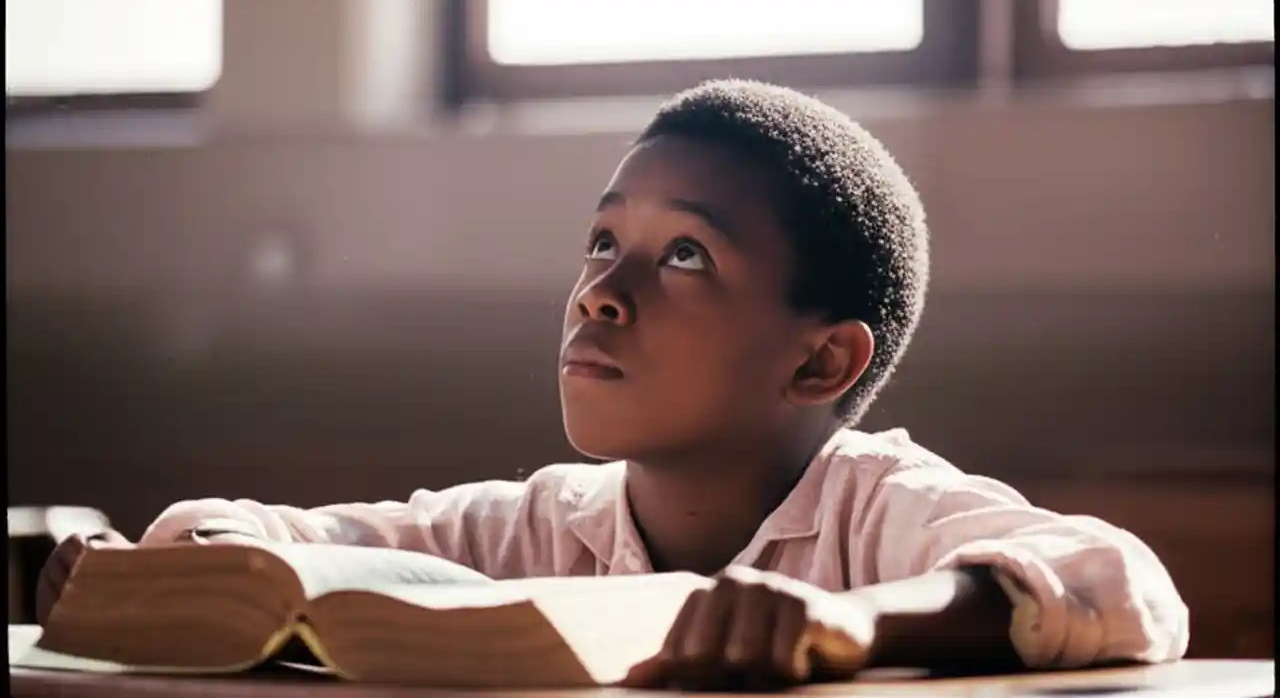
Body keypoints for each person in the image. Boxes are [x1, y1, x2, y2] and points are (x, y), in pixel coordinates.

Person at [37, 80, 1188, 690]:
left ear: (819, 360)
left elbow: (1117, 580)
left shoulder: (875, 507)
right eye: (600, 242)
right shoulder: (539, 524)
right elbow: (304, 539)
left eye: (684, 255)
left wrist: (846, 623)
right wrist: (188, 560)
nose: (599, 293)